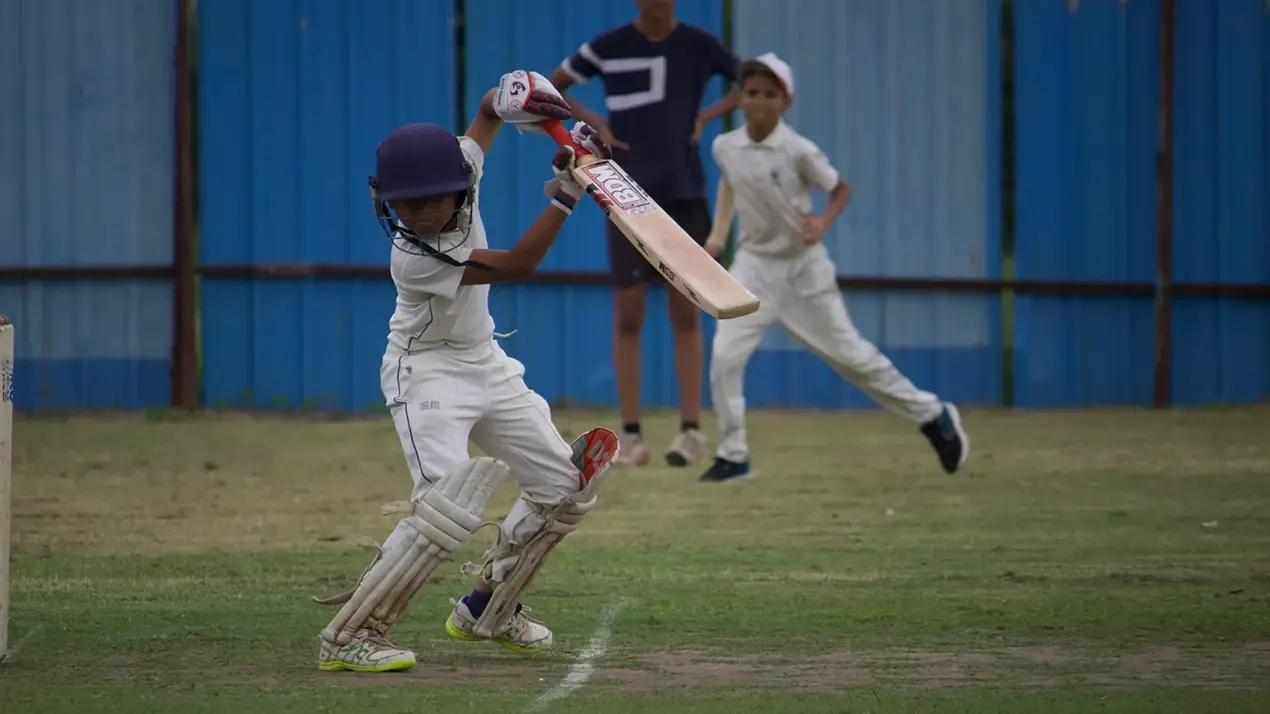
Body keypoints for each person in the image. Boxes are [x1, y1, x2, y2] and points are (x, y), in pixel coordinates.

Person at [313, 70, 620, 673]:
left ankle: (488, 608)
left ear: (459, 186)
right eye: (407, 204)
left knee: (566, 488)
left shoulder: (463, 166)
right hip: (425, 371)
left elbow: (486, 115)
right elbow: (519, 264)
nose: (423, 212)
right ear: (388, 202)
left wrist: (513, 96)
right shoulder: (413, 256)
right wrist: (567, 191)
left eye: (434, 199)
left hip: (484, 359)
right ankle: (349, 636)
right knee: (446, 507)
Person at [700, 53, 970, 484]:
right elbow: (729, 185)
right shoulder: (724, 147)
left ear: (785, 102)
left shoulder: (798, 150)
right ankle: (733, 456)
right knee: (724, 359)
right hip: (752, 269)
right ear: (740, 99)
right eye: (751, 93)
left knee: (852, 358)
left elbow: (840, 188)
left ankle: (933, 415)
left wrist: (821, 223)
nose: (759, 102)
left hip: (803, 272)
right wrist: (716, 239)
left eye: (770, 94)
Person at [548, 0, 741, 468]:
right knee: (629, 310)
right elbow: (553, 86)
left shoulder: (699, 44)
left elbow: (747, 81)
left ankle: (690, 431)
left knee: (685, 307)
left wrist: (706, 116)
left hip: (684, 189)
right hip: (624, 191)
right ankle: (630, 436)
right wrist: (595, 123)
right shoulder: (610, 45)